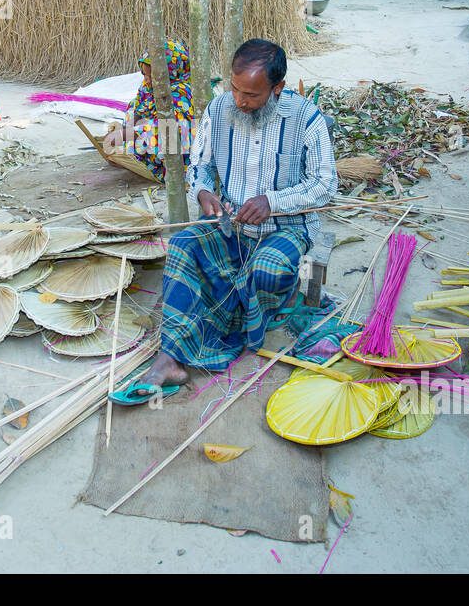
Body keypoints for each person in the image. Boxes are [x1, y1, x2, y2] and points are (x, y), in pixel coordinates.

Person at [111, 38, 338, 403]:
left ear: (277, 88)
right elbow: (199, 165)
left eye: (251, 94)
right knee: (184, 245)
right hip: (230, 225)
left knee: (266, 270)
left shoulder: (306, 118)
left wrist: (273, 202)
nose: (239, 101)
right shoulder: (219, 110)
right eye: (234, 88)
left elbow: (326, 185)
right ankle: (169, 359)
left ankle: (227, 326)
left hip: (286, 229)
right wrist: (203, 192)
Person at [102, 39, 195, 182]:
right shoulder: (147, 85)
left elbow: (166, 131)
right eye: (144, 74)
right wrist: (124, 135)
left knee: (163, 129)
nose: (147, 80)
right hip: (148, 137)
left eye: (152, 76)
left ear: (171, 72)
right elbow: (139, 110)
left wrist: (125, 134)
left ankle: (156, 167)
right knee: (132, 106)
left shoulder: (182, 93)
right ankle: (133, 156)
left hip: (177, 154)